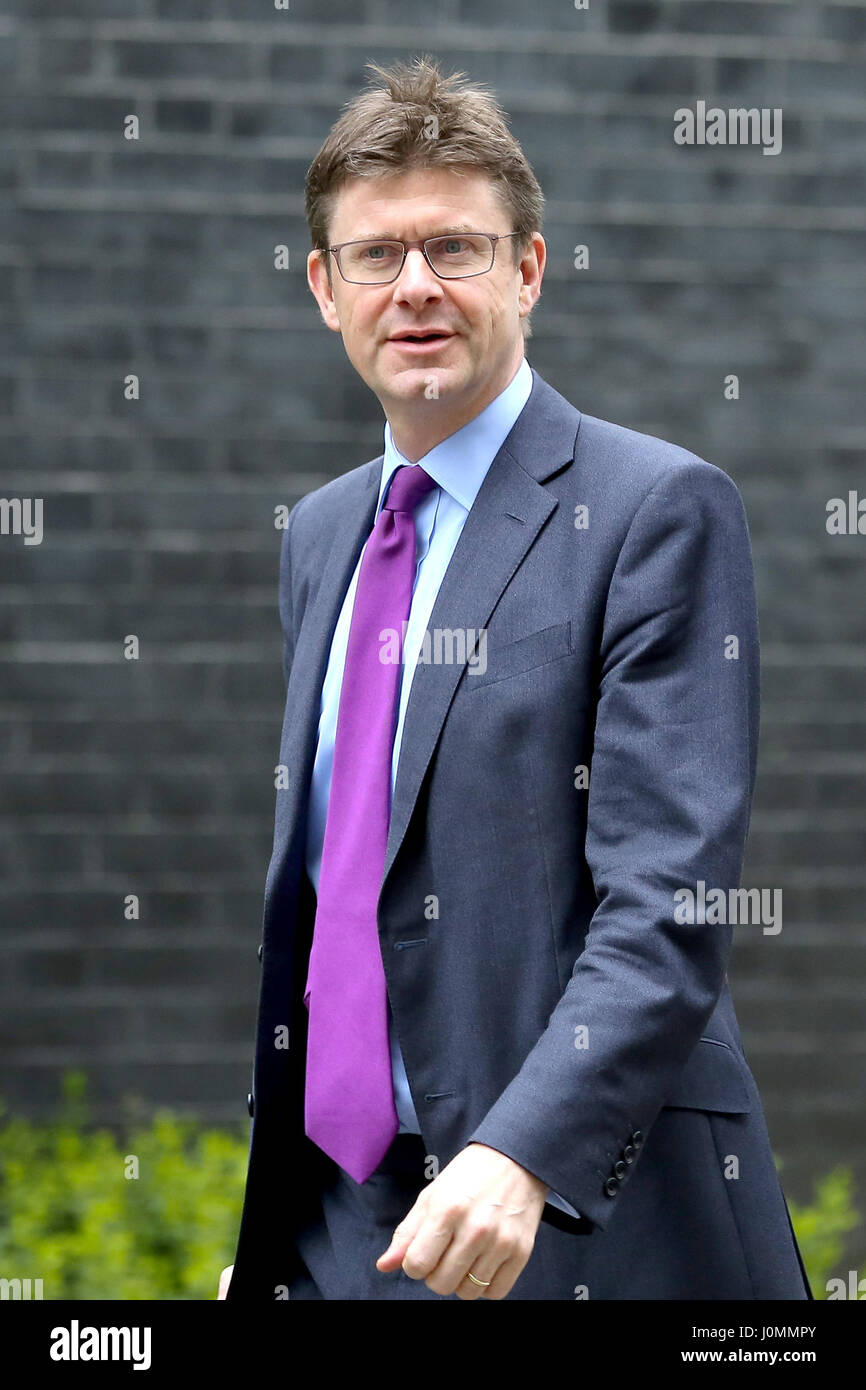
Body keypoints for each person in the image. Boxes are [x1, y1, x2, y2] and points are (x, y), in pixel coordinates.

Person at [220, 55, 811, 1301]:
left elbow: (665, 902)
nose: (416, 286)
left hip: (573, 1219)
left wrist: (518, 1153)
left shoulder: (654, 509)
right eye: (377, 255)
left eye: (457, 248)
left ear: (529, 269)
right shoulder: (321, 532)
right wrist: (274, 1232)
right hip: (345, 1226)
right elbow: (333, 890)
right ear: (325, 289)